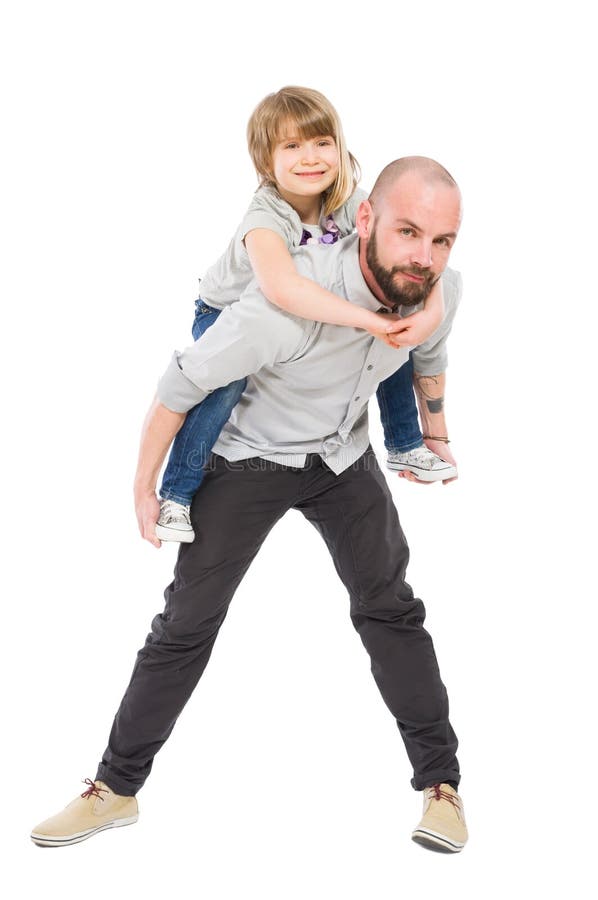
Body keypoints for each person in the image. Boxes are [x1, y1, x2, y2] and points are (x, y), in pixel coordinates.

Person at [31, 156, 468, 853]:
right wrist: (143, 489)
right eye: (409, 232)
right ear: (365, 219)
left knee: (389, 609)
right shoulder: (282, 310)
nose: (425, 257)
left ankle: (441, 788)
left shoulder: (437, 288)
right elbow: (179, 386)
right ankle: (113, 791)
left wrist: (435, 429)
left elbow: (429, 351)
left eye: (442, 241)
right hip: (249, 459)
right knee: (185, 625)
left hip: (341, 460)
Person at [155, 86, 455, 544]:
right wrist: (371, 321)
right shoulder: (265, 218)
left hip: (298, 316)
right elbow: (284, 289)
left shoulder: (351, 202)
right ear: (265, 160)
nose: (310, 158)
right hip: (229, 311)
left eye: (321, 143)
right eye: (291, 146)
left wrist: (427, 315)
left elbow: (413, 260)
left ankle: (405, 443)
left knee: (396, 330)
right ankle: (177, 492)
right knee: (224, 382)